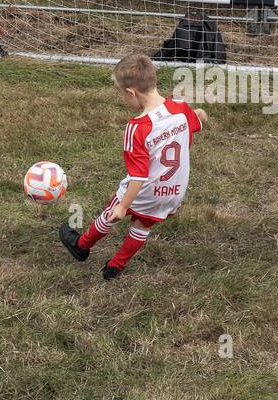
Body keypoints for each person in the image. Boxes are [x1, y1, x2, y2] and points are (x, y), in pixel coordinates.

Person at [59, 53, 207, 279]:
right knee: (142, 226)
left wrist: (122, 206)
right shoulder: (180, 107)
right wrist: (200, 115)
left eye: (122, 95)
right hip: (174, 192)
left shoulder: (138, 127)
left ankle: (81, 245)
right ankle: (115, 267)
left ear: (131, 92)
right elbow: (198, 118)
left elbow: (138, 175)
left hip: (145, 190)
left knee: (113, 208)